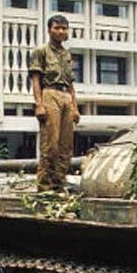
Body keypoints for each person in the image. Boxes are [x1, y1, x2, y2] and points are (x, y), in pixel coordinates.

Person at [30, 14, 80, 191]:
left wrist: (75, 107)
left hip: (66, 95)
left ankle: (59, 184)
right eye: (57, 28)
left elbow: (71, 83)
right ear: (49, 30)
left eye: (64, 28)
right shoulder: (41, 52)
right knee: (50, 144)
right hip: (49, 93)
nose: (60, 31)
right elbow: (35, 79)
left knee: (66, 145)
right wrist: (39, 104)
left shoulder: (67, 54)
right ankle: (45, 187)